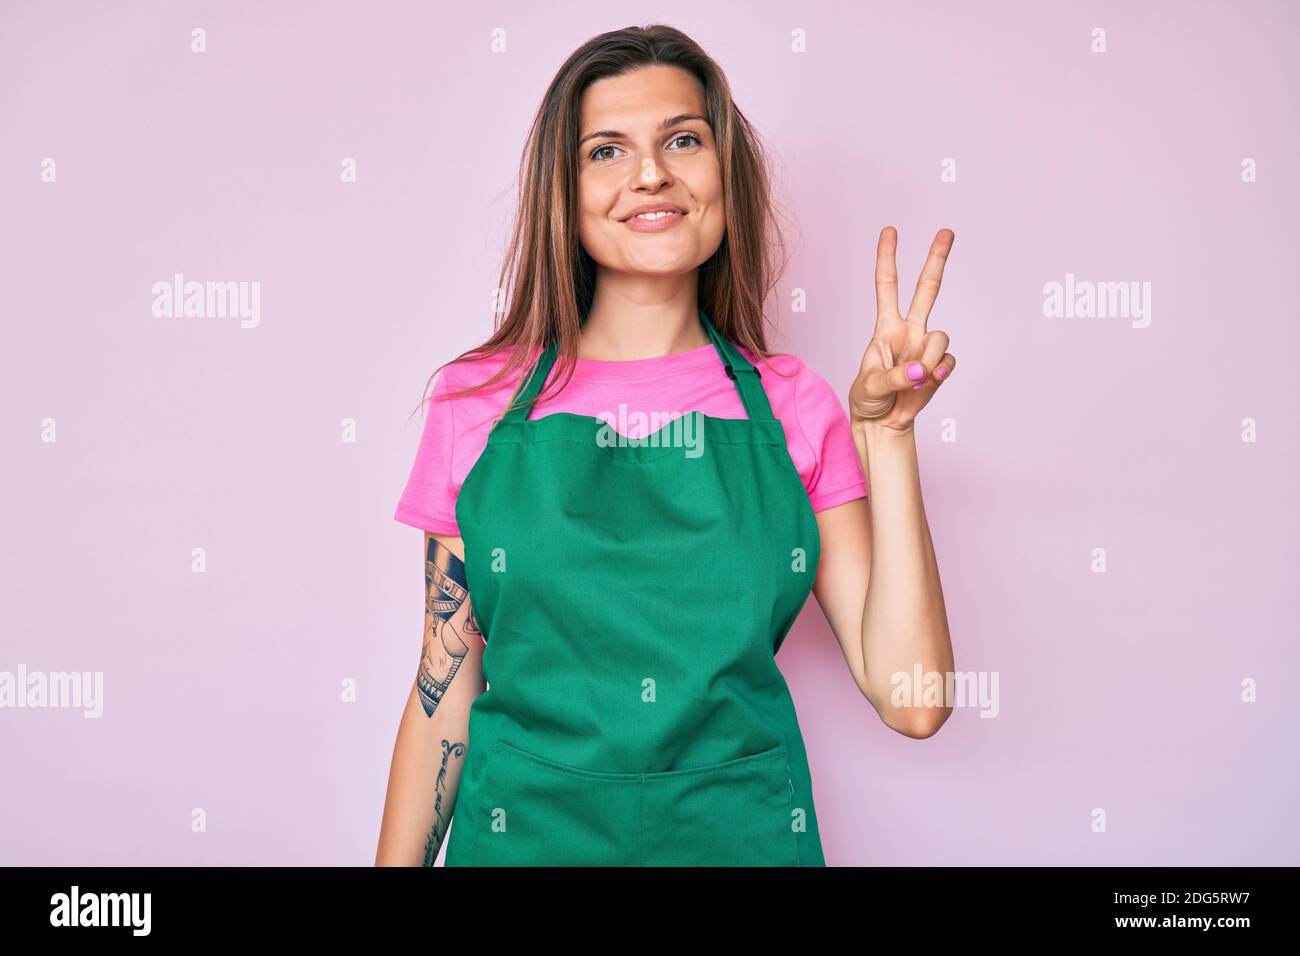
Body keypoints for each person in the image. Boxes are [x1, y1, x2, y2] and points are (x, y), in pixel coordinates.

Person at [375, 24, 957, 867]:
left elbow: (915, 702)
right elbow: (442, 698)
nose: (651, 172)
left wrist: (888, 433)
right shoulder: (478, 405)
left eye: (683, 140)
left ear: (725, 175)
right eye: (605, 151)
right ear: (562, 193)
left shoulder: (795, 407)